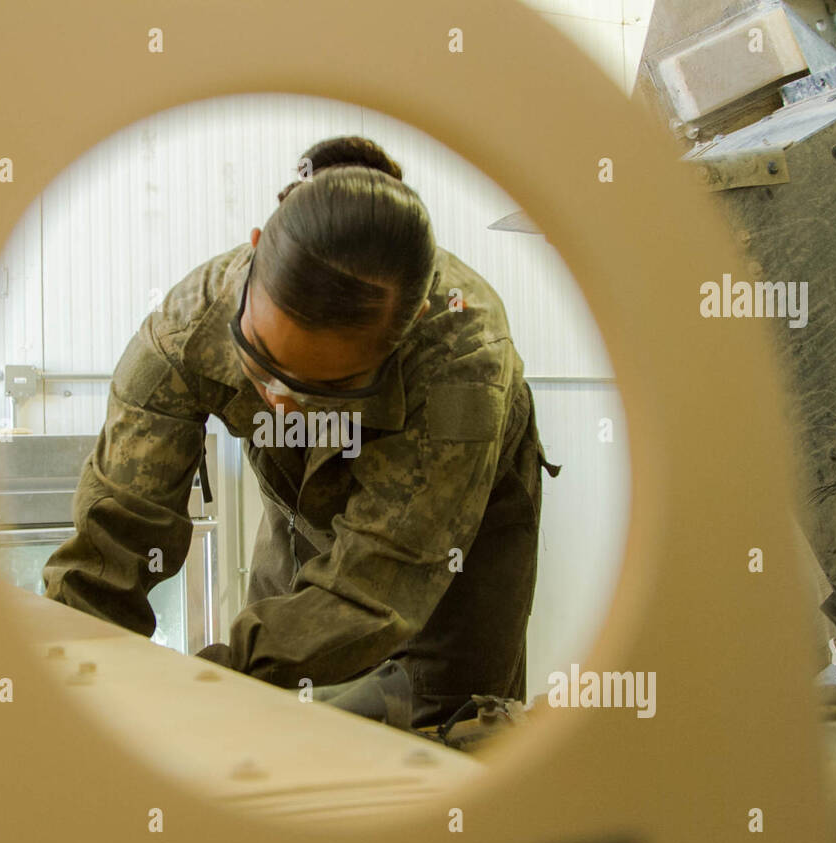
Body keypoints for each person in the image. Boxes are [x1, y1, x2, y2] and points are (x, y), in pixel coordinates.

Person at [42, 135, 559, 728]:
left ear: (407, 328)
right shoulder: (185, 329)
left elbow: (377, 589)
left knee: (447, 728)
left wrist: (198, 686)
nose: (281, 406)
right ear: (256, 251)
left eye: (326, 387)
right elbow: (115, 538)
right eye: (259, 360)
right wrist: (78, 677)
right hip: (298, 515)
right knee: (269, 710)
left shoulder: (461, 361)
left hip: (456, 543)